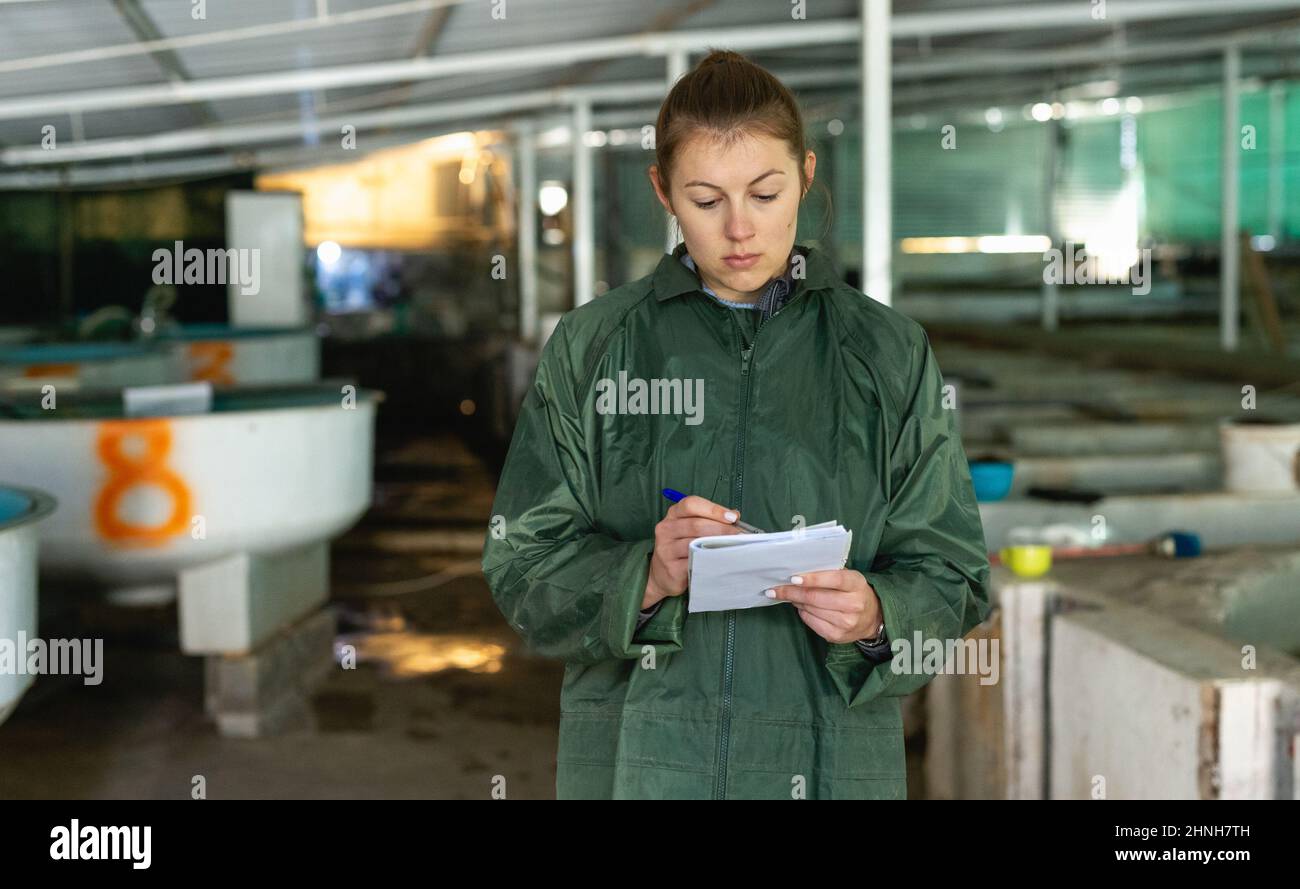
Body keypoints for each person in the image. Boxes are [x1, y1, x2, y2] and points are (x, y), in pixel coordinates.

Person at [482, 48, 991, 799]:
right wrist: (643, 576)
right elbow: (520, 564)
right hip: (640, 762)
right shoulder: (596, 348)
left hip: (826, 759)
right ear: (664, 192)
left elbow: (953, 571)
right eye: (706, 198)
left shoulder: (885, 351)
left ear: (806, 176)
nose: (740, 228)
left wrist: (881, 615)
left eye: (765, 191)